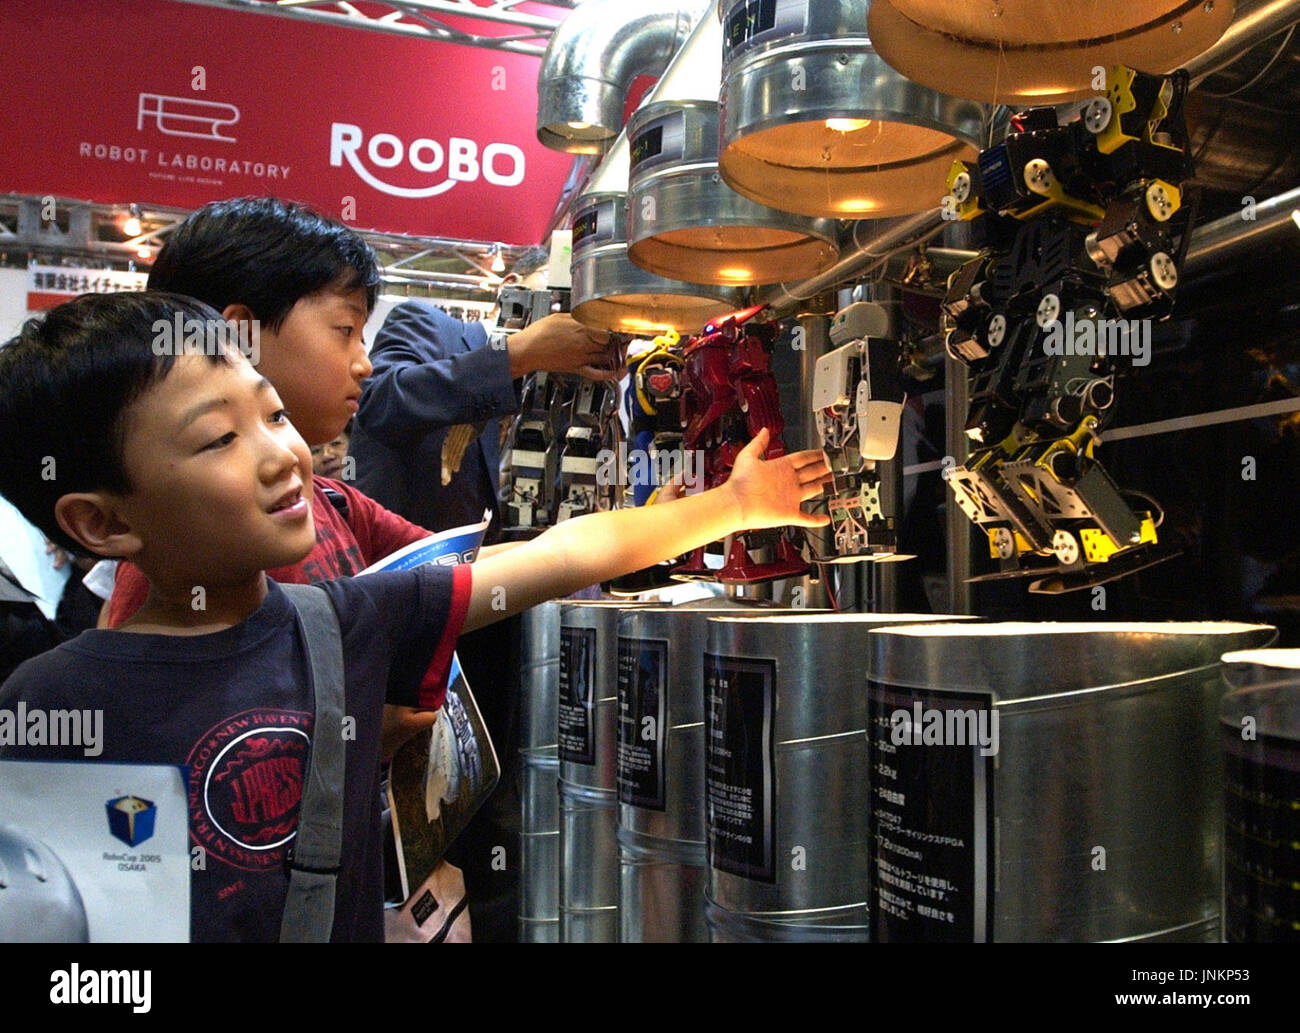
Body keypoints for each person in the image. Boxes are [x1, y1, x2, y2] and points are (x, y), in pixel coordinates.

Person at [0, 291, 830, 941]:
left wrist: (733, 505)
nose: (282, 454)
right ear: (101, 521)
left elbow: (559, 555)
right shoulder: (46, 705)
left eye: (273, 414)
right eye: (219, 438)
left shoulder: (342, 623)